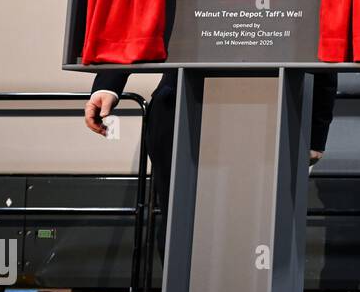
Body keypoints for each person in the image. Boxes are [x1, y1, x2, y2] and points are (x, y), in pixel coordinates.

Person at [84, 65, 338, 256]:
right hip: (179, 108)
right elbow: (139, 9)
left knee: (253, 227)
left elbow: (317, 25)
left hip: (265, 112)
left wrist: (315, 133)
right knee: (178, 221)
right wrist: (109, 83)